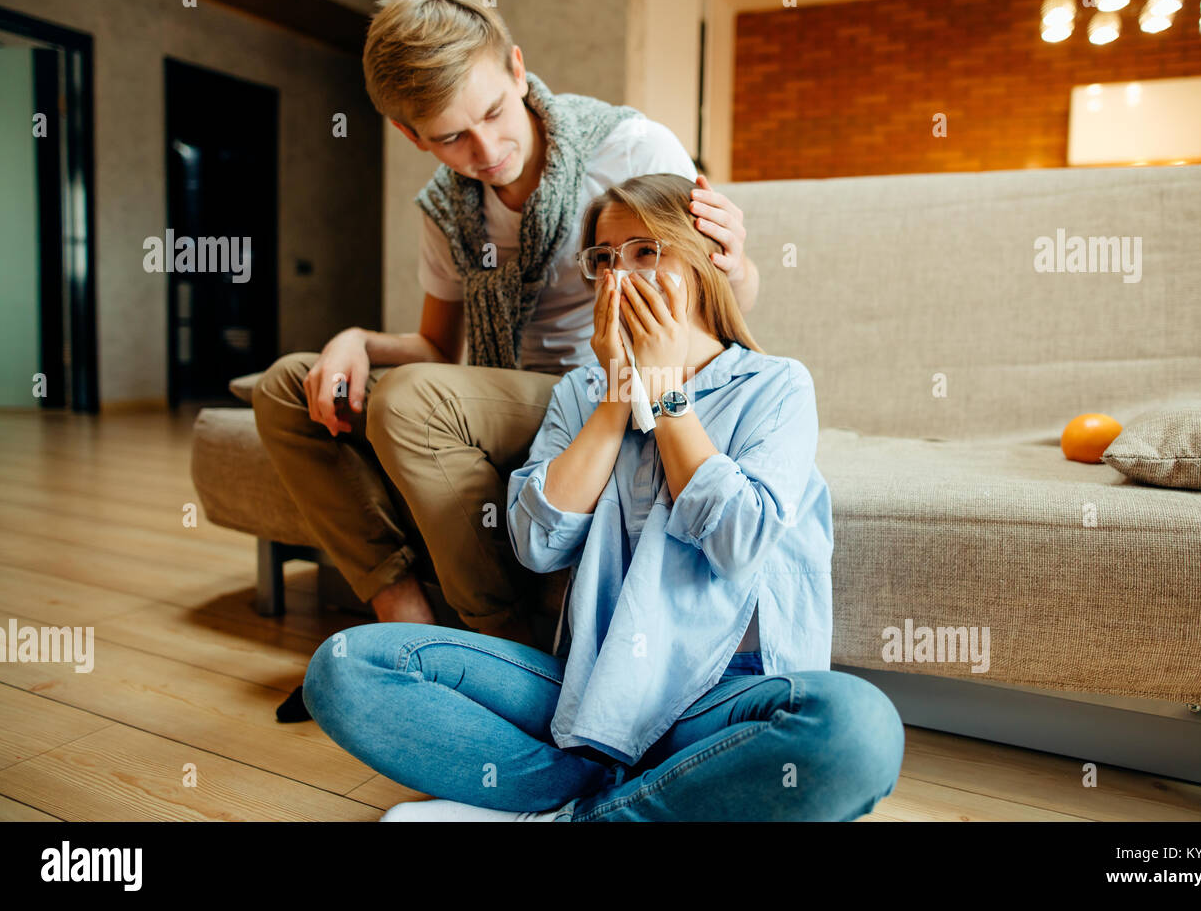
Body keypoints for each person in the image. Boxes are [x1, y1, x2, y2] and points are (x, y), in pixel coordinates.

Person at [301, 174, 904, 821]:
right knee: (342, 669)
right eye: (606, 259)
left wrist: (668, 391)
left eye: (646, 252)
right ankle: (636, 801)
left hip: (723, 705)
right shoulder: (582, 392)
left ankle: (572, 814)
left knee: (858, 729)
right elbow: (535, 544)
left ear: (701, 263)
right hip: (594, 692)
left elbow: (739, 541)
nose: (620, 276)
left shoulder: (776, 385)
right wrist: (620, 393)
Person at [252, 0, 762, 721]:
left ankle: (503, 651)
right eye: (451, 137)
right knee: (285, 386)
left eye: (492, 112)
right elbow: (435, 345)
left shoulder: (629, 147)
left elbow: (718, 308)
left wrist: (738, 262)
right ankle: (410, 630)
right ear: (411, 136)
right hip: (501, 391)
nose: (485, 151)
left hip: (601, 388)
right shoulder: (445, 211)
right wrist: (354, 340)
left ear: (518, 70)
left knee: (411, 398)